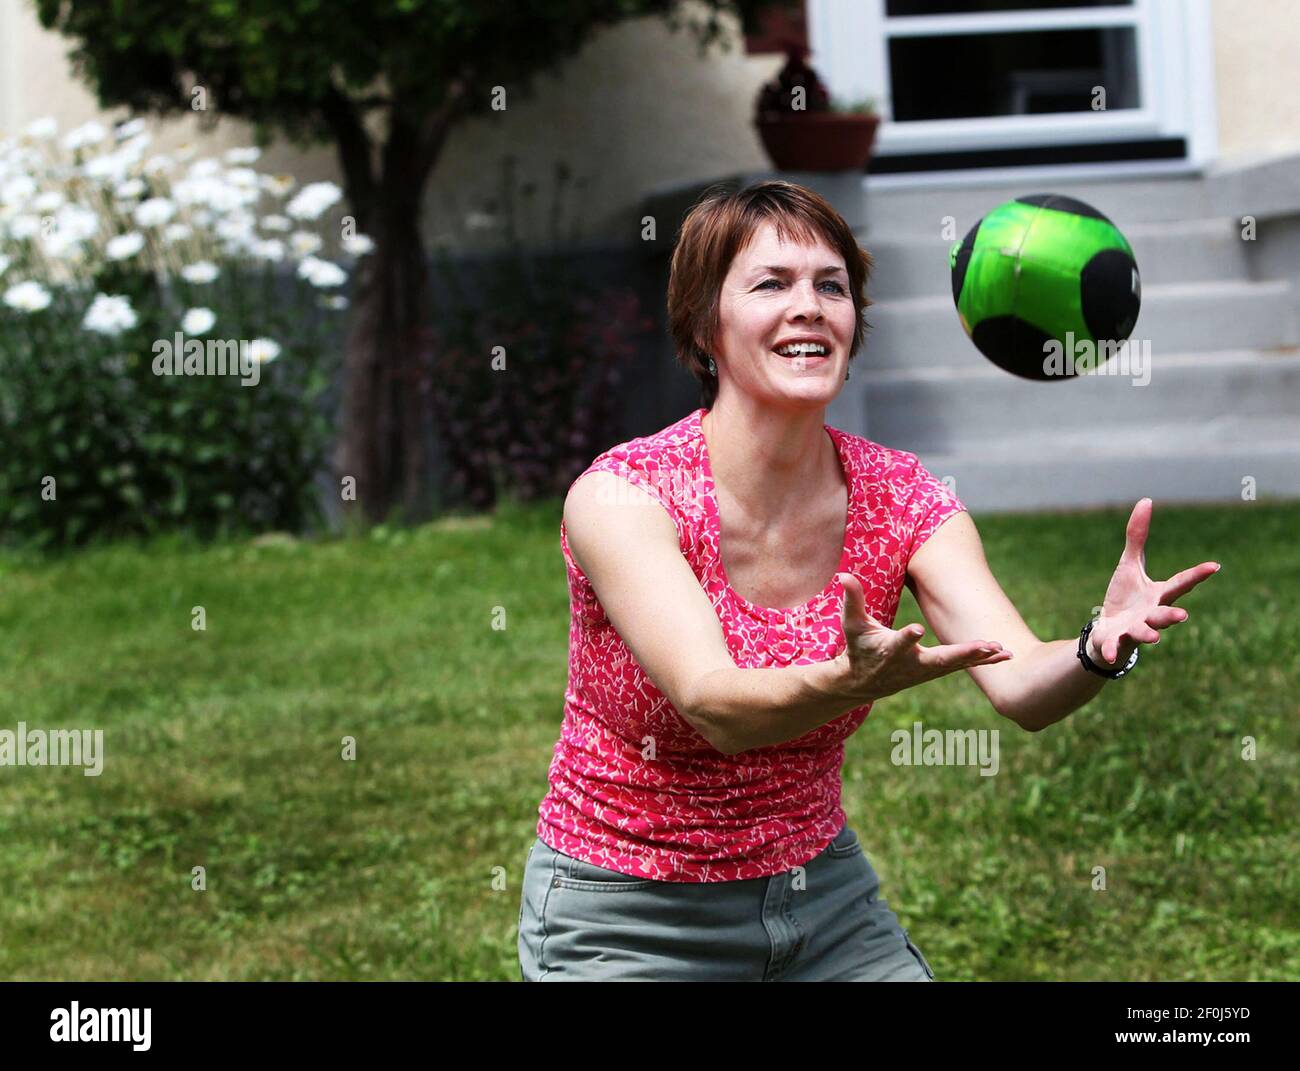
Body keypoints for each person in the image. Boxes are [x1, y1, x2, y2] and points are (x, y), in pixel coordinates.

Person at [517, 180, 1219, 982]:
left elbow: (1020, 680)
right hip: (627, 914)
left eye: (831, 286)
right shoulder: (624, 495)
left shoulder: (903, 495)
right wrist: (851, 681)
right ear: (705, 324)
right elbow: (715, 705)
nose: (810, 306)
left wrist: (1098, 647)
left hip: (823, 905)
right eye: (772, 284)